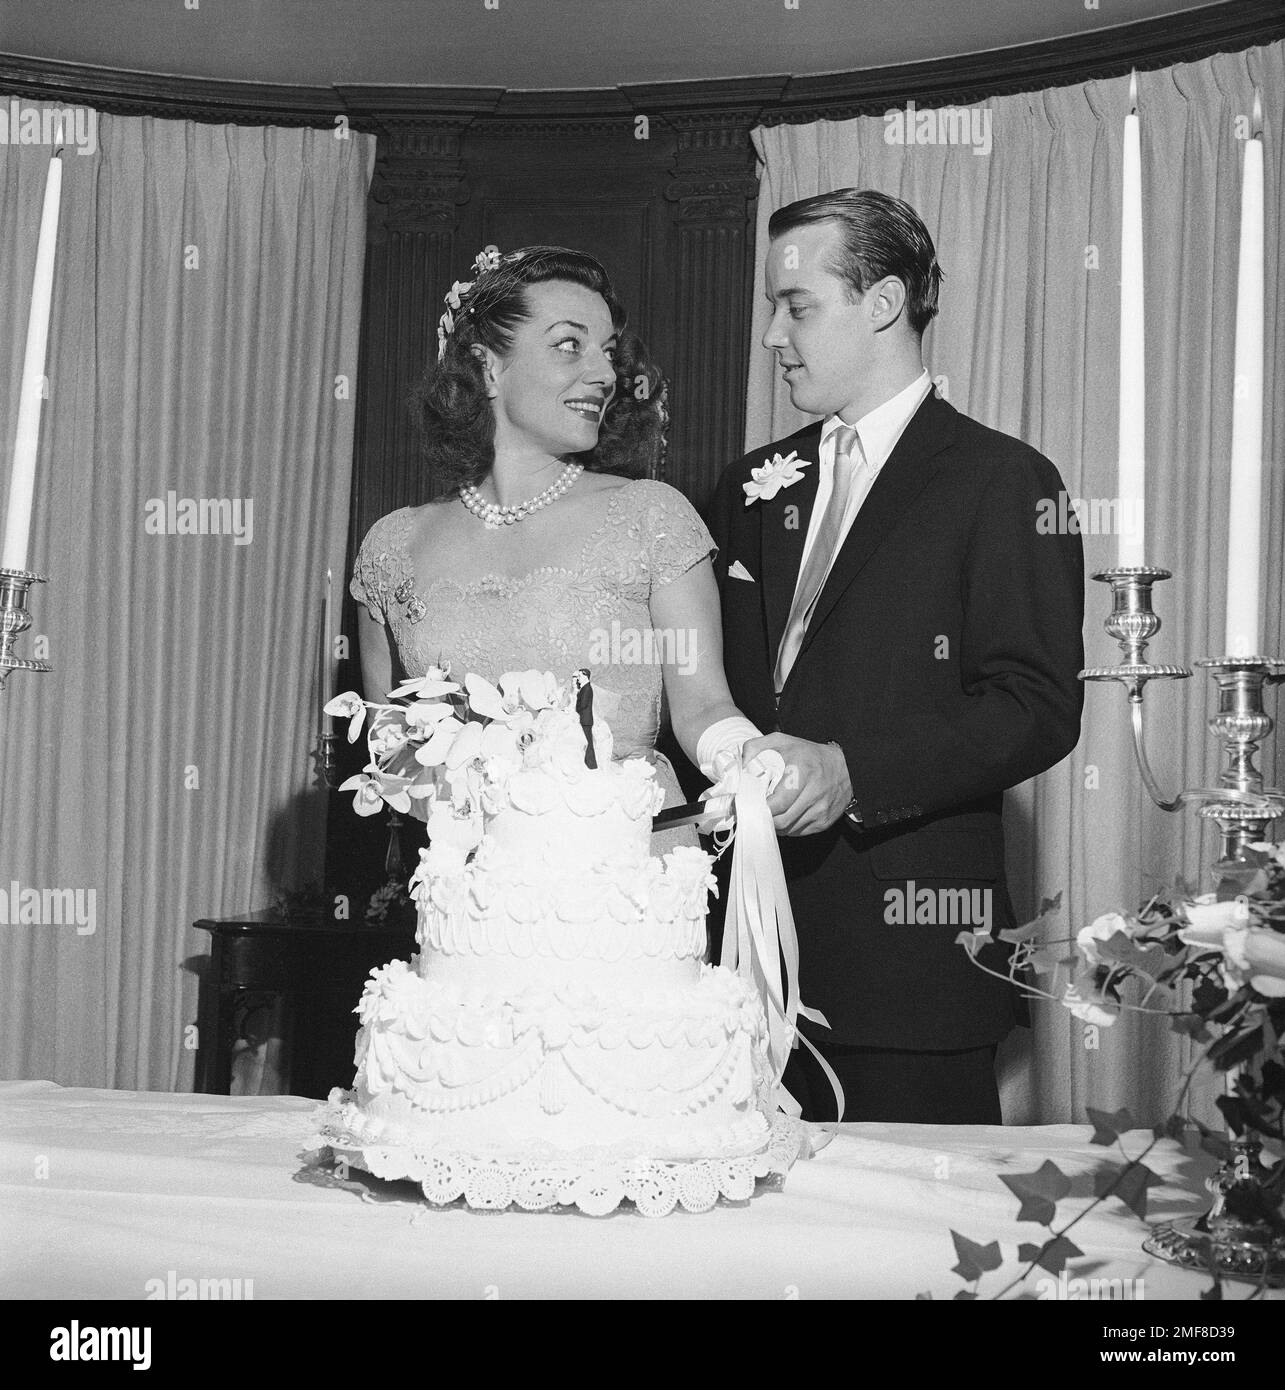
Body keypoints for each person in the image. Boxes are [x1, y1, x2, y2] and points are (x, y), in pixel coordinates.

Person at [707, 190, 1085, 1124]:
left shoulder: (1003, 481)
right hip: (734, 965)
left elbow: (1034, 703)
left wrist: (851, 771)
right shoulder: (749, 488)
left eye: (795, 308)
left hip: (910, 972)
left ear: (882, 302)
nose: (771, 337)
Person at [350, 245, 755, 856]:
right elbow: (392, 748)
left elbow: (703, 708)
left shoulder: (652, 517)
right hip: (479, 898)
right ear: (487, 368)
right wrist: (502, 815)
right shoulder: (392, 547)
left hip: (630, 880)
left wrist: (756, 765)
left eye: (609, 351)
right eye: (570, 344)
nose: (605, 373)